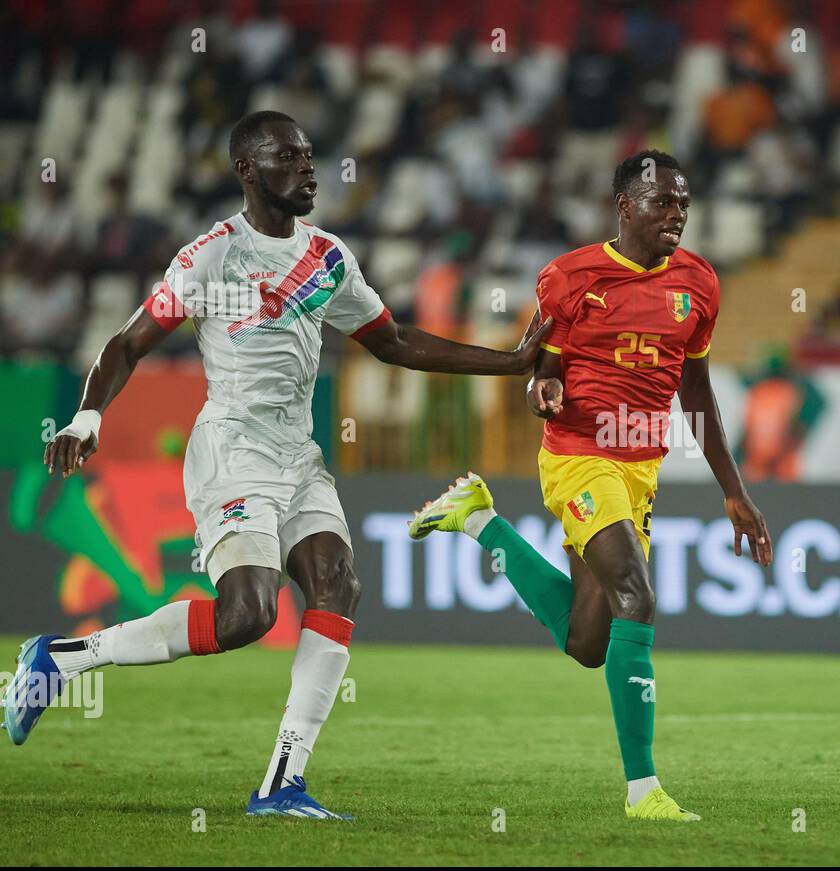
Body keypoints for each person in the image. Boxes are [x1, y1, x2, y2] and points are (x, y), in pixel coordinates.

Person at [5, 111, 550, 820]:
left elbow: (394, 342)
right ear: (248, 171)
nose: (309, 169)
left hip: (299, 454)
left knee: (337, 586)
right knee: (249, 614)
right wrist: (87, 415)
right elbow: (127, 343)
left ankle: (282, 784)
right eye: (288, 157)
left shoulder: (328, 257)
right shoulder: (211, 256)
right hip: (232, 452)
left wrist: (509, 363)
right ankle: (63, 658)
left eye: (310, 156)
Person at [409, 150, 772, 822]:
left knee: (588, 644)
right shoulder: (569, 277)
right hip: (580, 458)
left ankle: (478, 520)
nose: (676, 213)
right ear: (625, 205)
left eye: (684, 202)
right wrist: (542, 389)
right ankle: (644, 791)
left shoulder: (699, 282)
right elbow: (536, 372)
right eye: (663, 201)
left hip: (641, 469)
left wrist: (733, 490)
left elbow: (696, 390)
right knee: (637, 594)